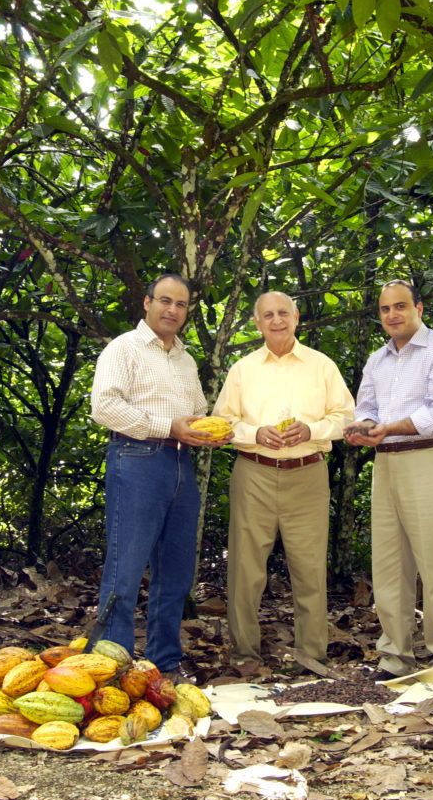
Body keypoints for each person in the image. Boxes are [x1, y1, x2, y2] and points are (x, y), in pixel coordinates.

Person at [91, 273, 229, 680]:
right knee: (126, 566)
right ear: (147, 303)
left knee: (176, 570)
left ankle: (163, 663)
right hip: (136, 458)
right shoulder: (125, 349)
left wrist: (209, 431)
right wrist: (170, 427)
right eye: (165, 301)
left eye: (181, 304)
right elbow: (105, 407)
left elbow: (195, 410)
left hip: (181, 463)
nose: (172, 310)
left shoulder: (184, 359)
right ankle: (109, 668)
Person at [213, 291, 355, 664]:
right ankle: (244, 654)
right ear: (257, 323)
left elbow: (348, 417)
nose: (276, 320)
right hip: (253, 473)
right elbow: (222, 422)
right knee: (245, 569)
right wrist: (254, 433)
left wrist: (312, 430)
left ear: (296, 317)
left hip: (307, 475)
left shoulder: (321, 365)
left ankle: (312, 656)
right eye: (268, 315)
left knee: (309, 569)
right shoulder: (242, 369)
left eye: (283, 313)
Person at [345, 279, 433, 678]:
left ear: (419, 308)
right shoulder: (377, 361)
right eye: (385, 309)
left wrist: (388, 427)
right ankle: (395, 658)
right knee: (388, 567)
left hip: (431, 460)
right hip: (387, 465)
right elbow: (365, 407)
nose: (392, 315)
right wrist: (363, 428)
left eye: (400, 306)